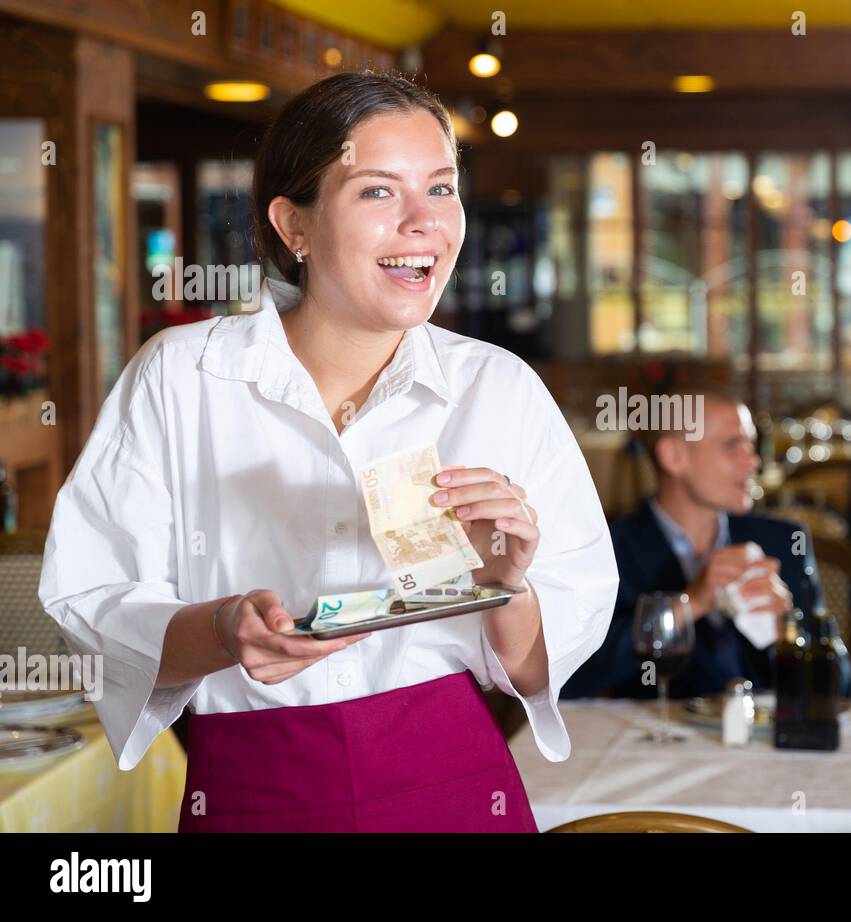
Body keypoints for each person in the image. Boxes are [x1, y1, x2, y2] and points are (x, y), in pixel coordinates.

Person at [38, 72, 618, 832]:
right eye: (378, 192)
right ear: (294, 226)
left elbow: (536, 672)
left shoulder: (499, 388)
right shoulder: (184, 376)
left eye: (442, 188)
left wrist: (503, 580)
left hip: (450, 777)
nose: (424, 223)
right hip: (253, 785)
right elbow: (93, 605)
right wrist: (222, 631)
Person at [562, 389, 851, 700]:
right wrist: (691, 604)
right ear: (674, 456)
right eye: (732, 445)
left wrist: (788, 632)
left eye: (750, 443)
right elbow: (570, 679)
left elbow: (843, 688)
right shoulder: (608, 549)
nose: (753, 460)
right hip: (659, 742)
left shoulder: (784, 542)